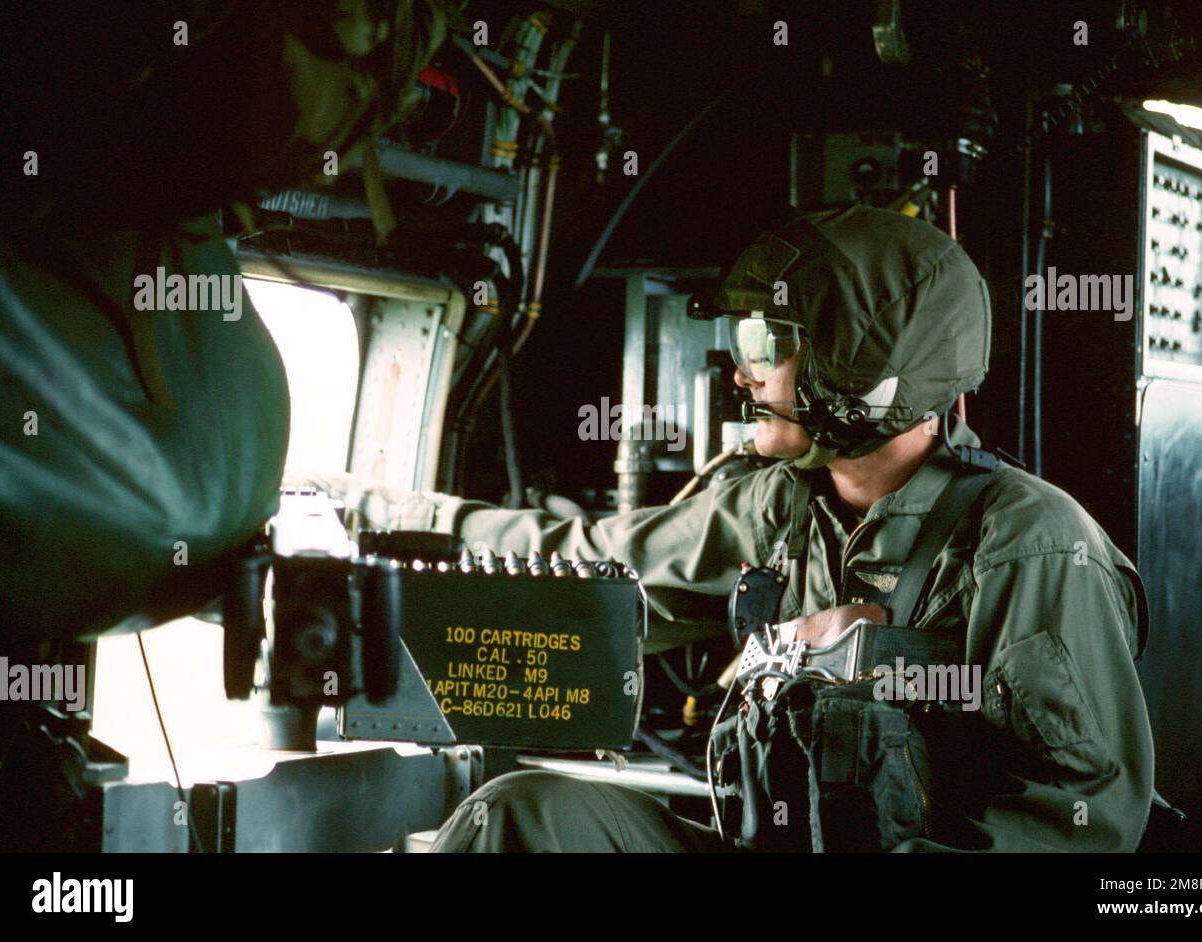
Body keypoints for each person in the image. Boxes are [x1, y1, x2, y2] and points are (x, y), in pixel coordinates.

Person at [310, 205, 1156, 851]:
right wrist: (373, 520)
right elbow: (589, 573)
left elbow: (1076, 825)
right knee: (516, 816)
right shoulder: (781, 505)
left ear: (863, 368)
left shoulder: (1030, 547)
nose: (741, 366)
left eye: (768, 342)